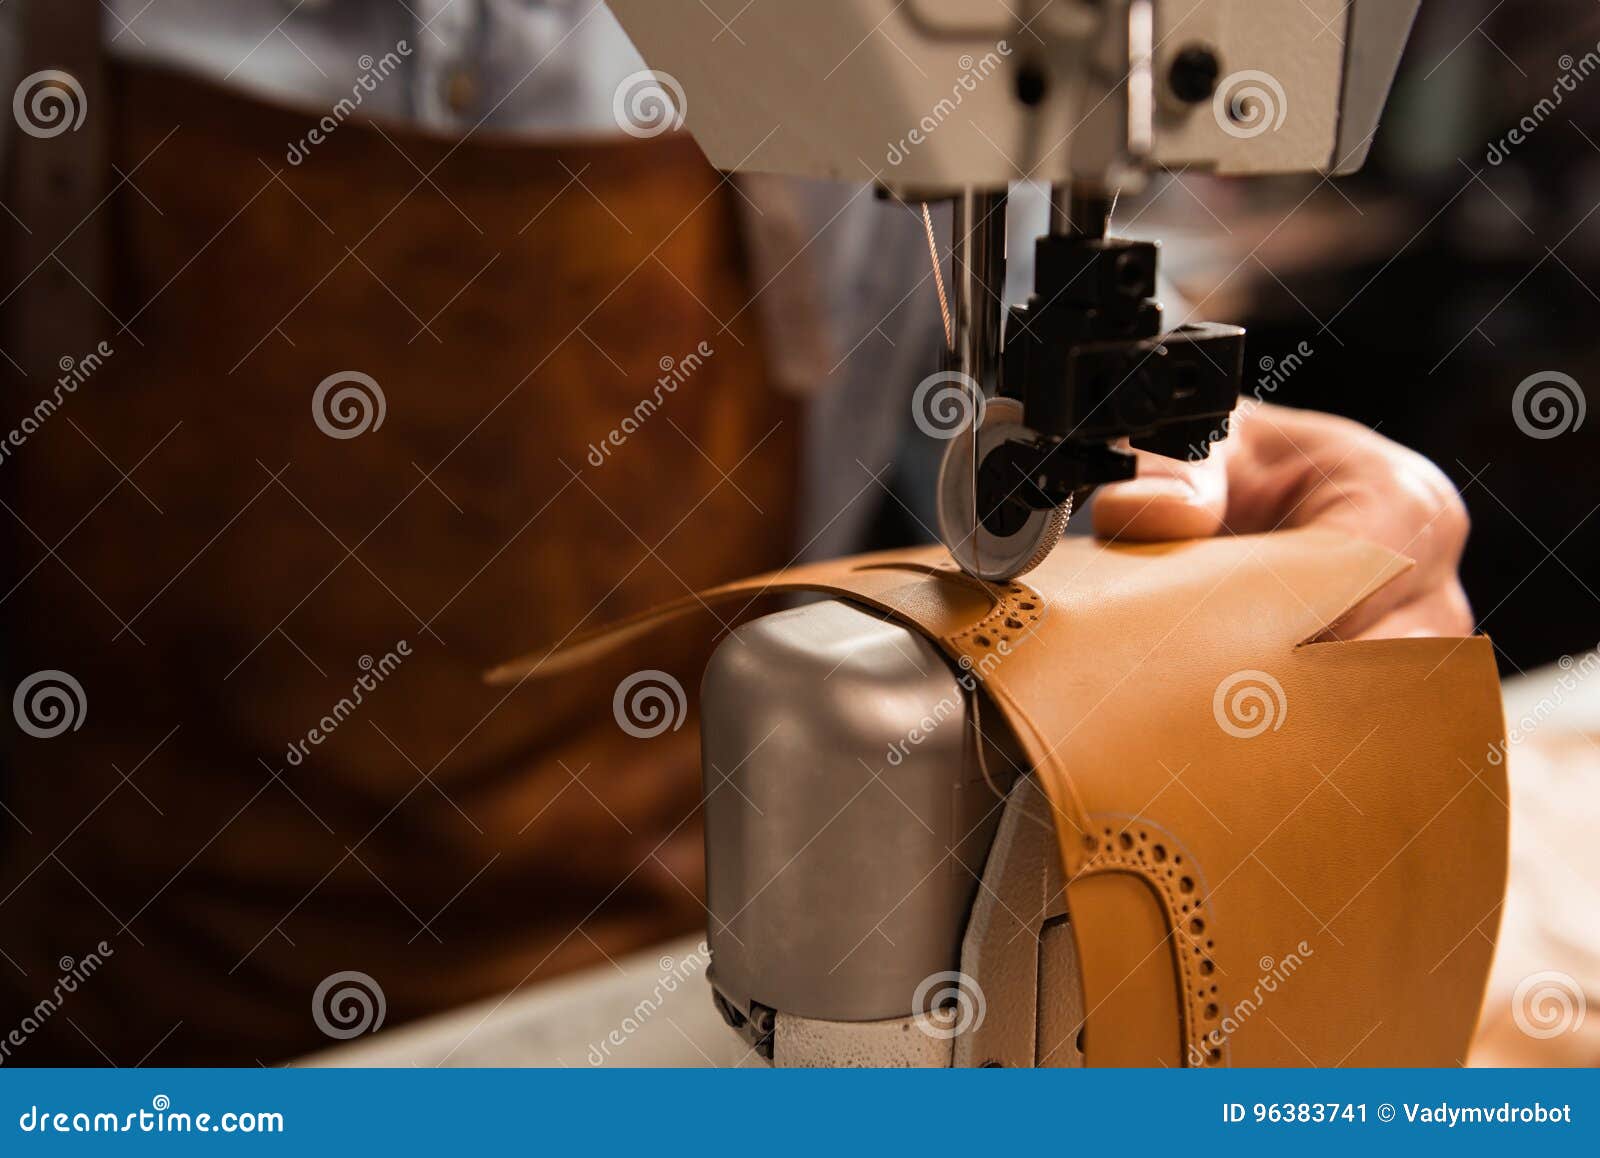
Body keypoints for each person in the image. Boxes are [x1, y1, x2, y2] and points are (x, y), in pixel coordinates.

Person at [0, 0, 1471, 1065]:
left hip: (695, 1010)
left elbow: (1055, 330)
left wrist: (1217, 498)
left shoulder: (885, 48)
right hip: (116, 1031)